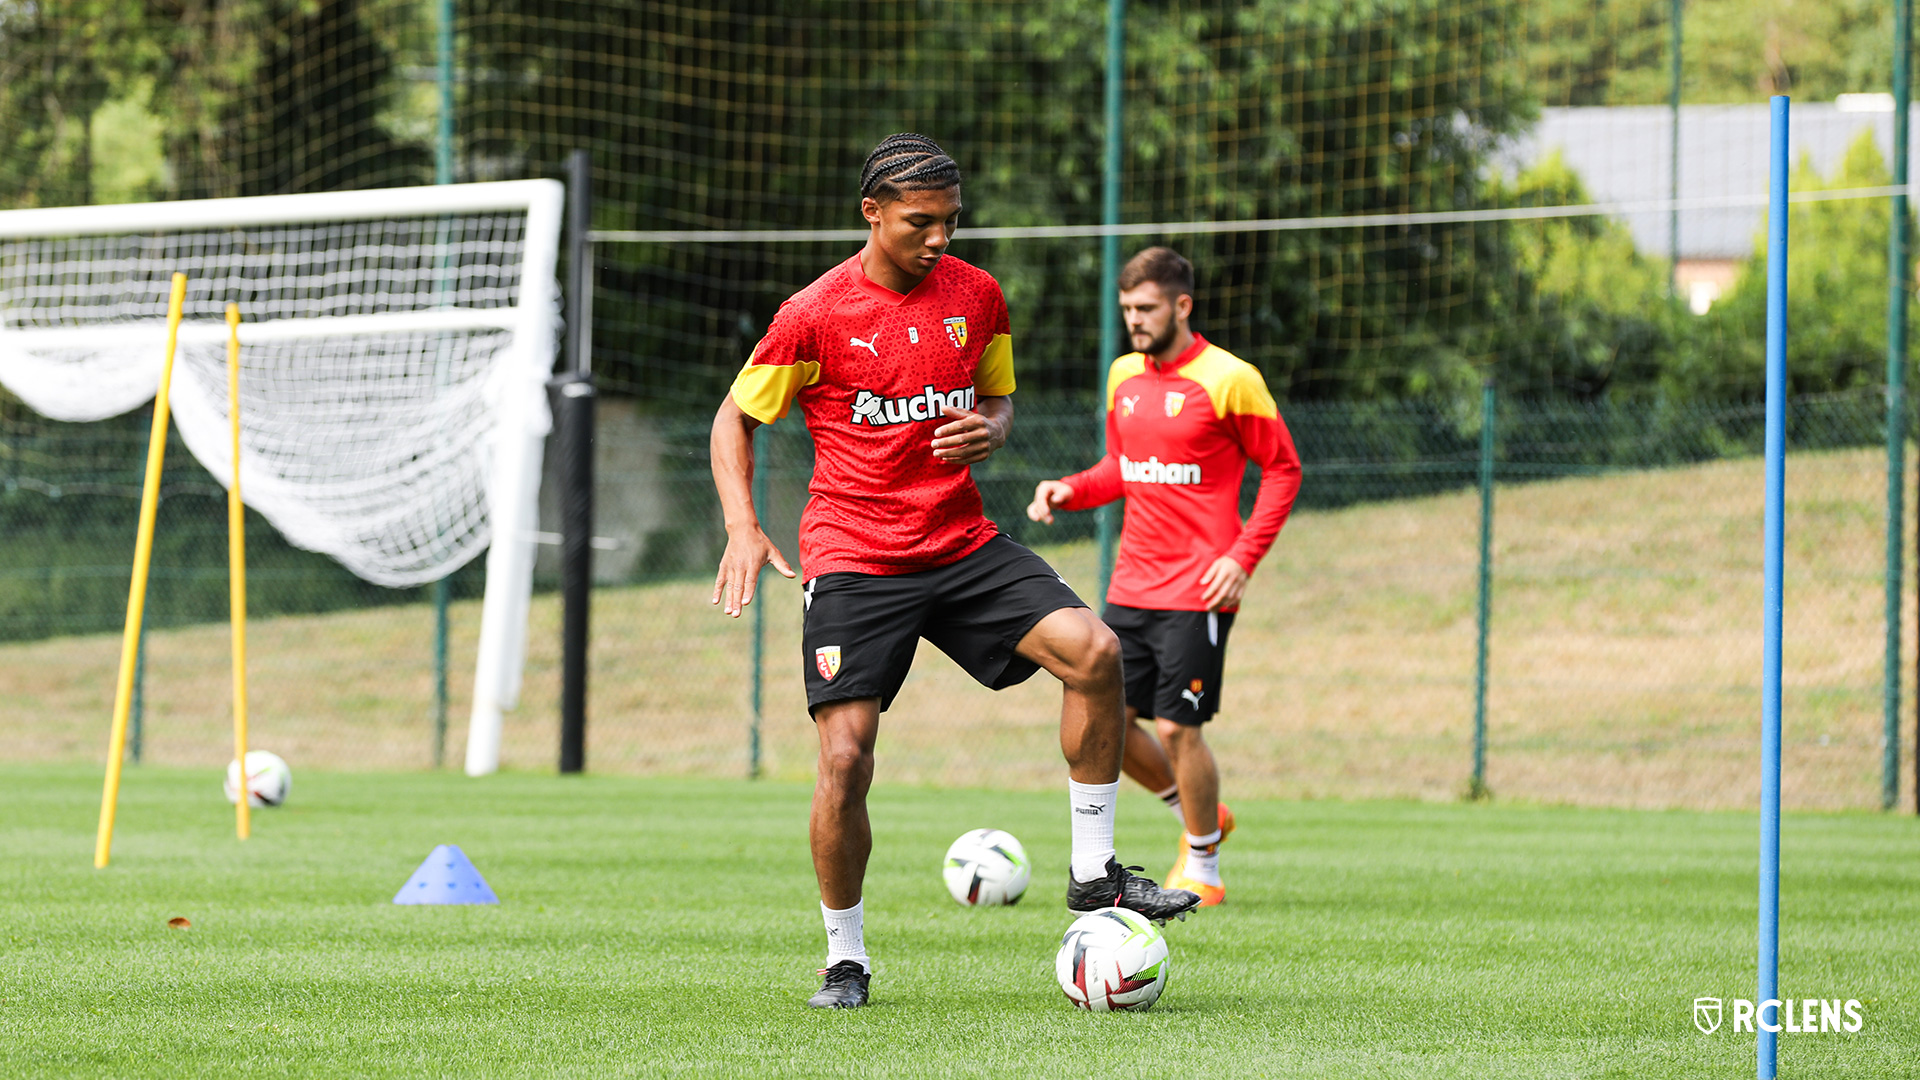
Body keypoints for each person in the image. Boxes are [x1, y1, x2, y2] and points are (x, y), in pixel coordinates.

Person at [709, 135, 1200, 1010]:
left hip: (960, 542)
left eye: (951, 221)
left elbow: (998, 400)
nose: (939, 239)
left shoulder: (977, 295)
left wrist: (994, 428)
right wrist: (744, 525)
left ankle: (1095, 875)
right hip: (857, 557)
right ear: (872, 213)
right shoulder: (815, 313)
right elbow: (735, 419)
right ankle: (845, 959)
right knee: (846, 759)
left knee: (1093, 650)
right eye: (918, 223)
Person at [1026, 246, 1301, 907]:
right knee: (1107, 726)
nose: (1135, 321)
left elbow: (1284, 469)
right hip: (1131, 587)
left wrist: (1240, 559)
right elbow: (1122, 469)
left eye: (1146, 309)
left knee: (1179, 728)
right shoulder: (1124, 374)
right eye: (1126, 310)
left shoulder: (1231, 378)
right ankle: (1198, 812)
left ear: (1182, 306)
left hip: (1197, 587)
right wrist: (1069, 489)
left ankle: (1203, 864)